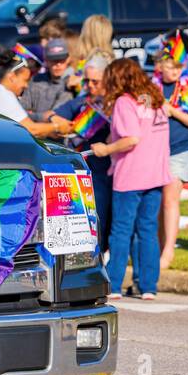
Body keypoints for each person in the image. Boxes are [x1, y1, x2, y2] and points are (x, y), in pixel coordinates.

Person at [93, 58, 170, 299]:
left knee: (121, 230)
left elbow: (131, 138)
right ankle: (148, 286)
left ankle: (114, 284)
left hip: (131, 175)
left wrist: (105, 149)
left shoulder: (124, 102)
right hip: (156, 174)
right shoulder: (153, 99)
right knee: (147, 230)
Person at [55, 51, 114, 239]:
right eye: (86, 81)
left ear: (107, 79)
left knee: (104, 220)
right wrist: (64, 125)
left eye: (95, 82)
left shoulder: (117, 103)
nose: (89, 86)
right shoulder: (83, 102)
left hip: (108, 171)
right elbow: (53, 114)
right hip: (85, 171)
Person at [152, 36, 188, 269]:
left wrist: (173, 111)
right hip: (155, 149)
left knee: (171, 200)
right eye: (171, 66)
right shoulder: (151, 86)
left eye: (179, 66)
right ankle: (159, 248)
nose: (175, 71)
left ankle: (168, 252)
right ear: (160, 65)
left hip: (179, 149)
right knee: (158, 202)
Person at [0, 48, 72, 139]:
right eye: (25, 80)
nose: (26, 86)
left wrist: (48, 132)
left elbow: (27, 127)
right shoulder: (3, 96)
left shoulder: (0, 93)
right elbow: (31, 129)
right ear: (12, 77)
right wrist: (57, 126)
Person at [22, 37, 74, 119]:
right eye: (53, 60)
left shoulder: (72, 84)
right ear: (46, 60)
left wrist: (34, 116)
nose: (58, 64)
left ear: (68, 59)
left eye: (62, 60)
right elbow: (22, 112)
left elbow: (55, 117)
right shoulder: (36, 80)